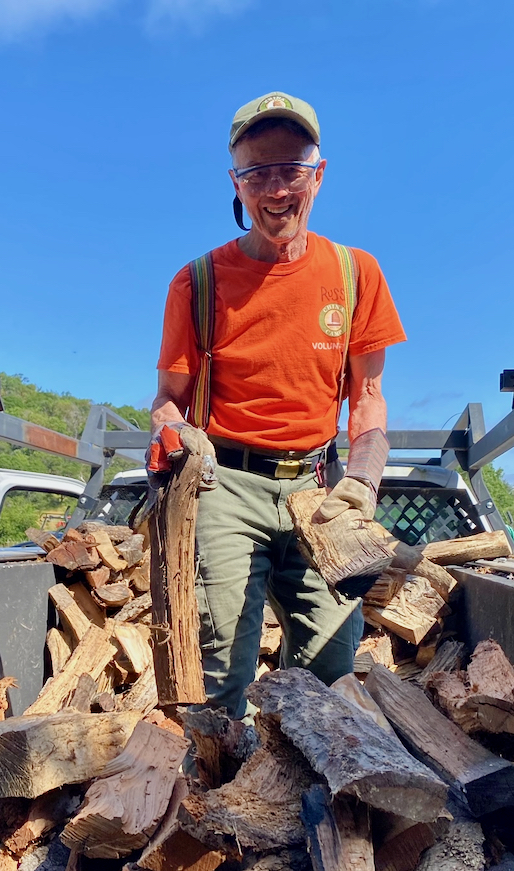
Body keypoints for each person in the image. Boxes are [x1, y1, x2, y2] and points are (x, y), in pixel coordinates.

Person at [149, 91, 407, 719]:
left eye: (291, 168)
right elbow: (167, 402)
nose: (275, 188)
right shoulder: (198, 281)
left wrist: (363, 482)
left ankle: (297, 790)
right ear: (234, 183)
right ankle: (213, 800)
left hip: (320, 488)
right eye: (256, 171)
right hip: (226, 484)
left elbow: (368, 399)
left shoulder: (355, 274)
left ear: (318, 174)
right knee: (218, 666)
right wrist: (175, 435)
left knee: (331, 659)